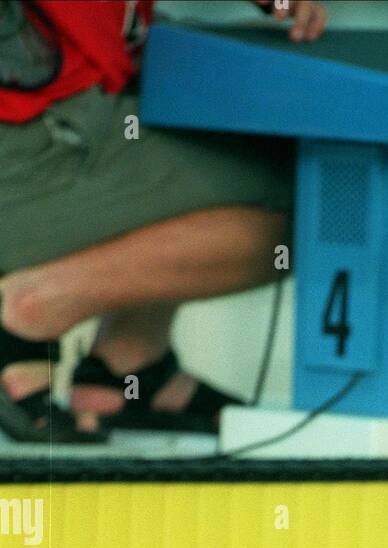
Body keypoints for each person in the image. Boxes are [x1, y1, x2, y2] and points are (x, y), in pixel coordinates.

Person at [0, 0, 327, 442]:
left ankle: (129, 363)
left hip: (49, 113)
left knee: (195, 101)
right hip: (32, 139)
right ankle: (30, 311)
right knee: (325, 202)